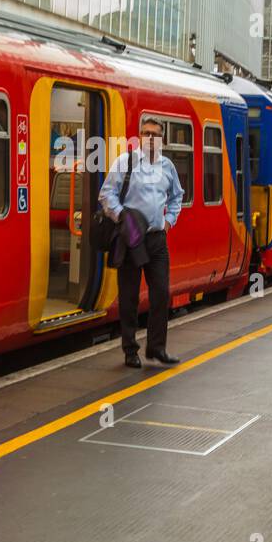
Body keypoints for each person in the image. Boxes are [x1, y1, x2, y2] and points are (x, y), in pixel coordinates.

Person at [99, 118, 183, 368]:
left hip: (157, 240)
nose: (150, 138)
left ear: (162, 140)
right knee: (129, 297)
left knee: (160, 294)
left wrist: (169, 221)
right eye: (145, 133)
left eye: (155, 135)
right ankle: (130, 350)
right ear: (139, 136)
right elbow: (106, 194)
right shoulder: (125, 162)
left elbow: (177, 196)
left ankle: (157, 348)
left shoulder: (167, 166)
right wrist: (122, 217)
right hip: (131, 240)